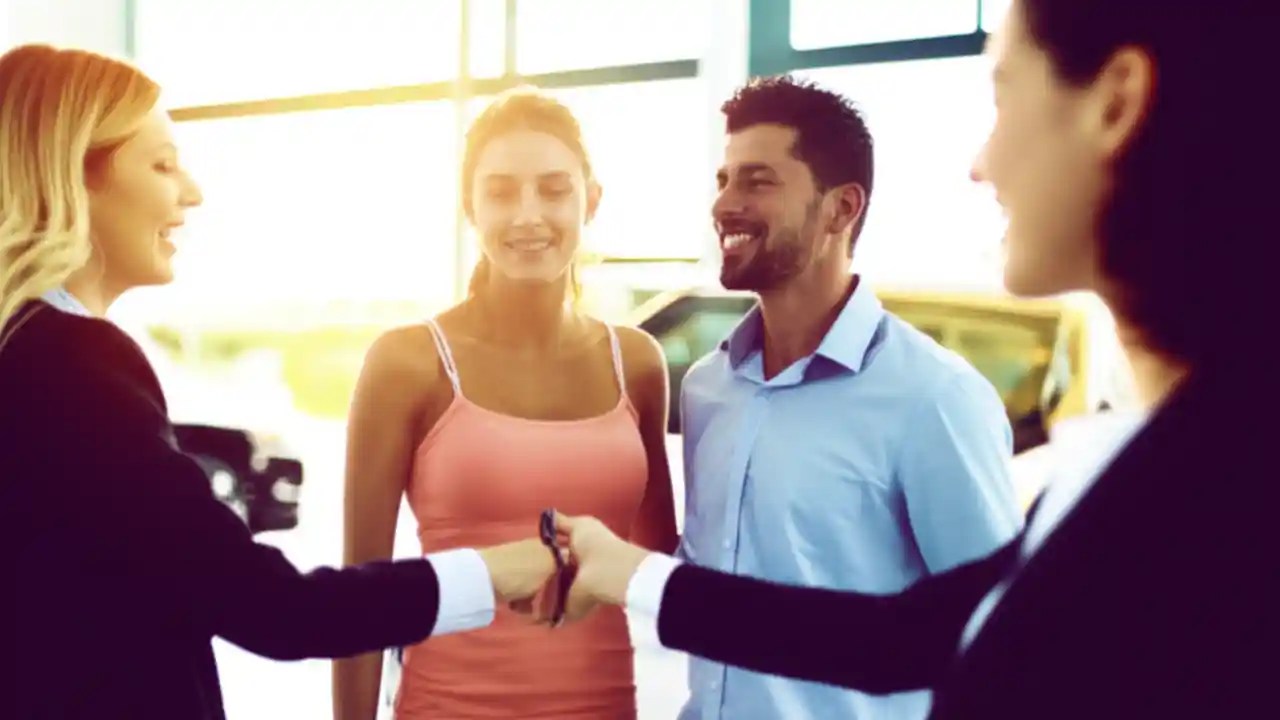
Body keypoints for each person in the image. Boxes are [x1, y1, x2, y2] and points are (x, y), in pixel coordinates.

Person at [551, 1, 1278, 718]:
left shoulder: (1226, 487)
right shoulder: (1126, 455)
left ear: (1115, 104)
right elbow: (903, 639)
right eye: (724, 178)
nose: (980, 164)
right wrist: (624, 571)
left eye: (1004, 95)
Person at [0, 45, 559, 720]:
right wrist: (494, 572)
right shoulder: (76, 368)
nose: (192, 192)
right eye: (162, 164)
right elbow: (274, 610)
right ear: (75, 175)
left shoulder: (24, 354)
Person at [672, 75, 1022, 718]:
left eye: (758, 180)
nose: (726, 203)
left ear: (841, 208)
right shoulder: (707, 390)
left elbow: (998, 643)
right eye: (723, 180)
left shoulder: (934, 399)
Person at [332, 87, 678, 720]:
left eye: (553, 189)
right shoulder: (408, 362)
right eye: (500, 191)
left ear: (590, 200)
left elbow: (658, 565)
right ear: (469, 206)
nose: (527, 215)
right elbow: (361, 594)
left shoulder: (637, 363)